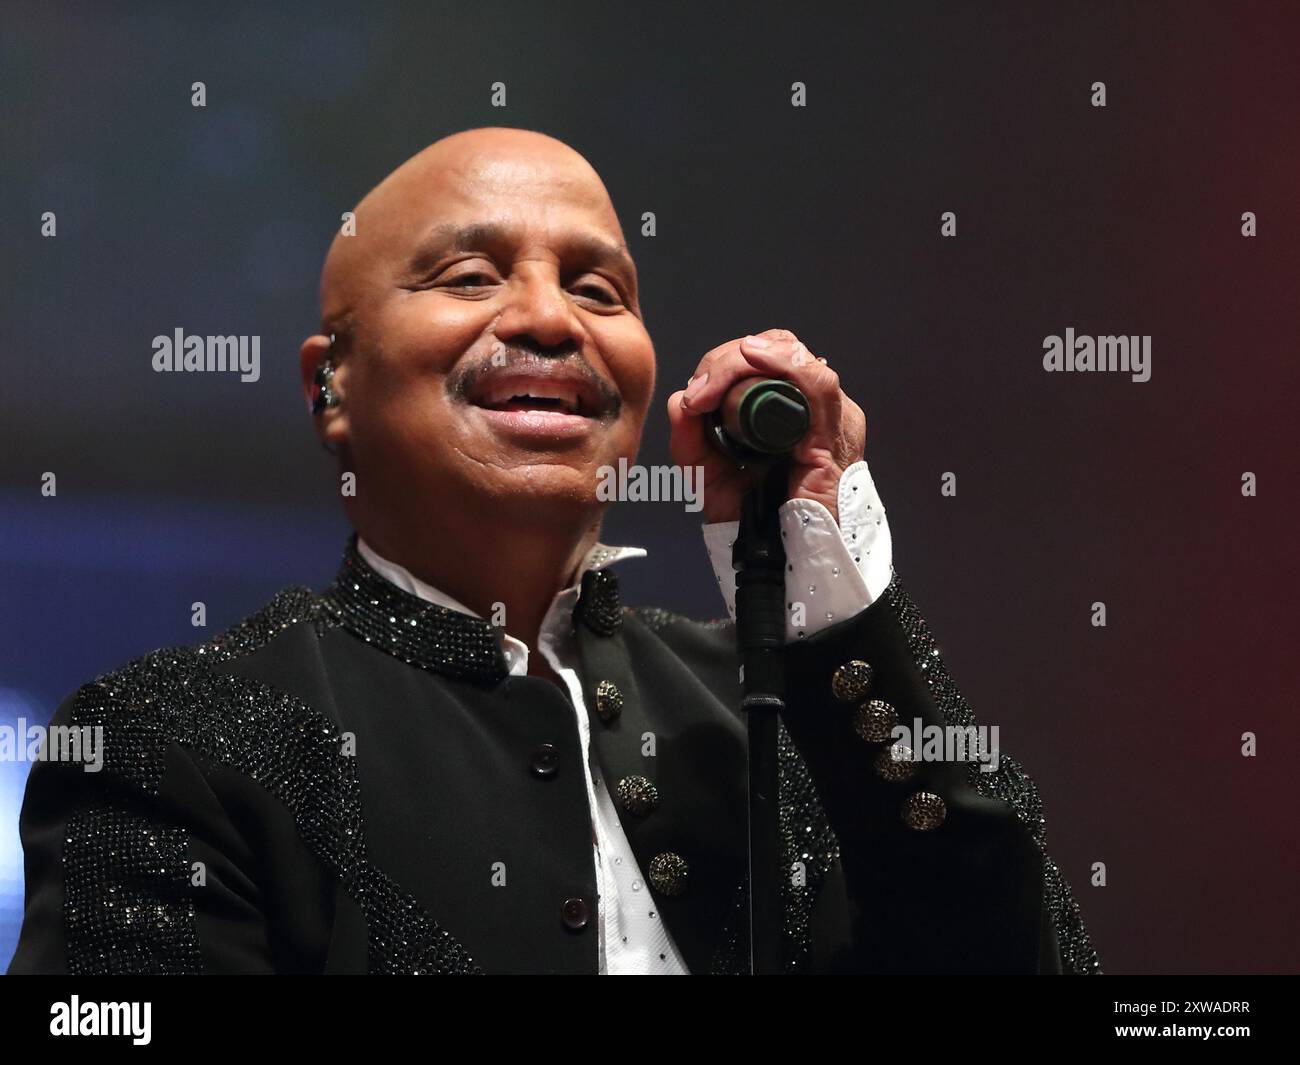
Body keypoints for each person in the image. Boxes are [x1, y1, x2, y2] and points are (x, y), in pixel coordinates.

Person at [8, 127, 1099, 974]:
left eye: (598, 289)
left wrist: (833, 605)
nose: (548, 320)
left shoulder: (768, 708)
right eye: (470, 278)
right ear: (328, 385)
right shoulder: (177, 736)